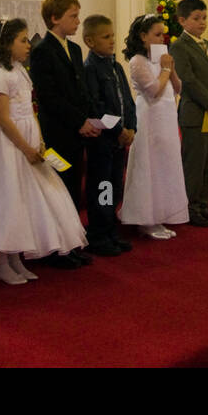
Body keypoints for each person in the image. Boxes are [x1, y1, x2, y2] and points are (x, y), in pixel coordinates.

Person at [0, 18, 87, 284]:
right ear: (6, 43)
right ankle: (1, 261)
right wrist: (25, 148)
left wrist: (39, 140)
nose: (28, 45)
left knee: (26, 200)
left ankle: (16, 257)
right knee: (7, 199)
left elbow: (30, 108)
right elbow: (3, 118)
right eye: (22, 40)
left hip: (29, 139)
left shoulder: (20, 70)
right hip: (8, 143)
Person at [29, 0, 100, 268]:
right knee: (58, 186)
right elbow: (49, 96)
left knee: (73, 186)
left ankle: (71, 241)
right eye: (73, 16)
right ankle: (56, 246)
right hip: (57, 129)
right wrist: (77, 120)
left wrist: (89, 119)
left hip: (77, 129)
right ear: (55, 18)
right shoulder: (42, 51)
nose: (78, 21)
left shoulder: (74, 49)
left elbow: (79, 90)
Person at [119, 14, 188, 240]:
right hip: (149, 117)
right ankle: (145, 219)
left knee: (165, 164)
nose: (162, 39)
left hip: (167, 116)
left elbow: (177, 89)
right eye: (157, 35)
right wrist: (166, 70)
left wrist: (172, 68)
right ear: (143, 36)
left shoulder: (162, 60)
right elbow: (153, 90)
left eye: (163, 35)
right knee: (149, 165)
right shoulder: (137, 61)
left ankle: (161, 214)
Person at [169, 0, 208, 227]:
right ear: (183, 21)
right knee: (194, 162)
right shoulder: (179, 46)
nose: (202, 22)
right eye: (196, 18)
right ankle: (190, 207)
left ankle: (203, 204)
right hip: (196, 113)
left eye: (204, 18)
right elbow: (188, 80)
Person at [81, 14, 137, 256]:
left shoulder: (115, 66)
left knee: (115, 185)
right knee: (102, 186)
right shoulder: (90, 69)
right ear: (90, 41)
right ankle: (99, 233)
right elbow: (96, 106)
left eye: (113, 35)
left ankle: (112, 229)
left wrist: (132, 126)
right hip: (103, 141)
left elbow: (127, 99)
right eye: (106, 37)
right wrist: (118, 130)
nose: (112, 40)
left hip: (119, 141)